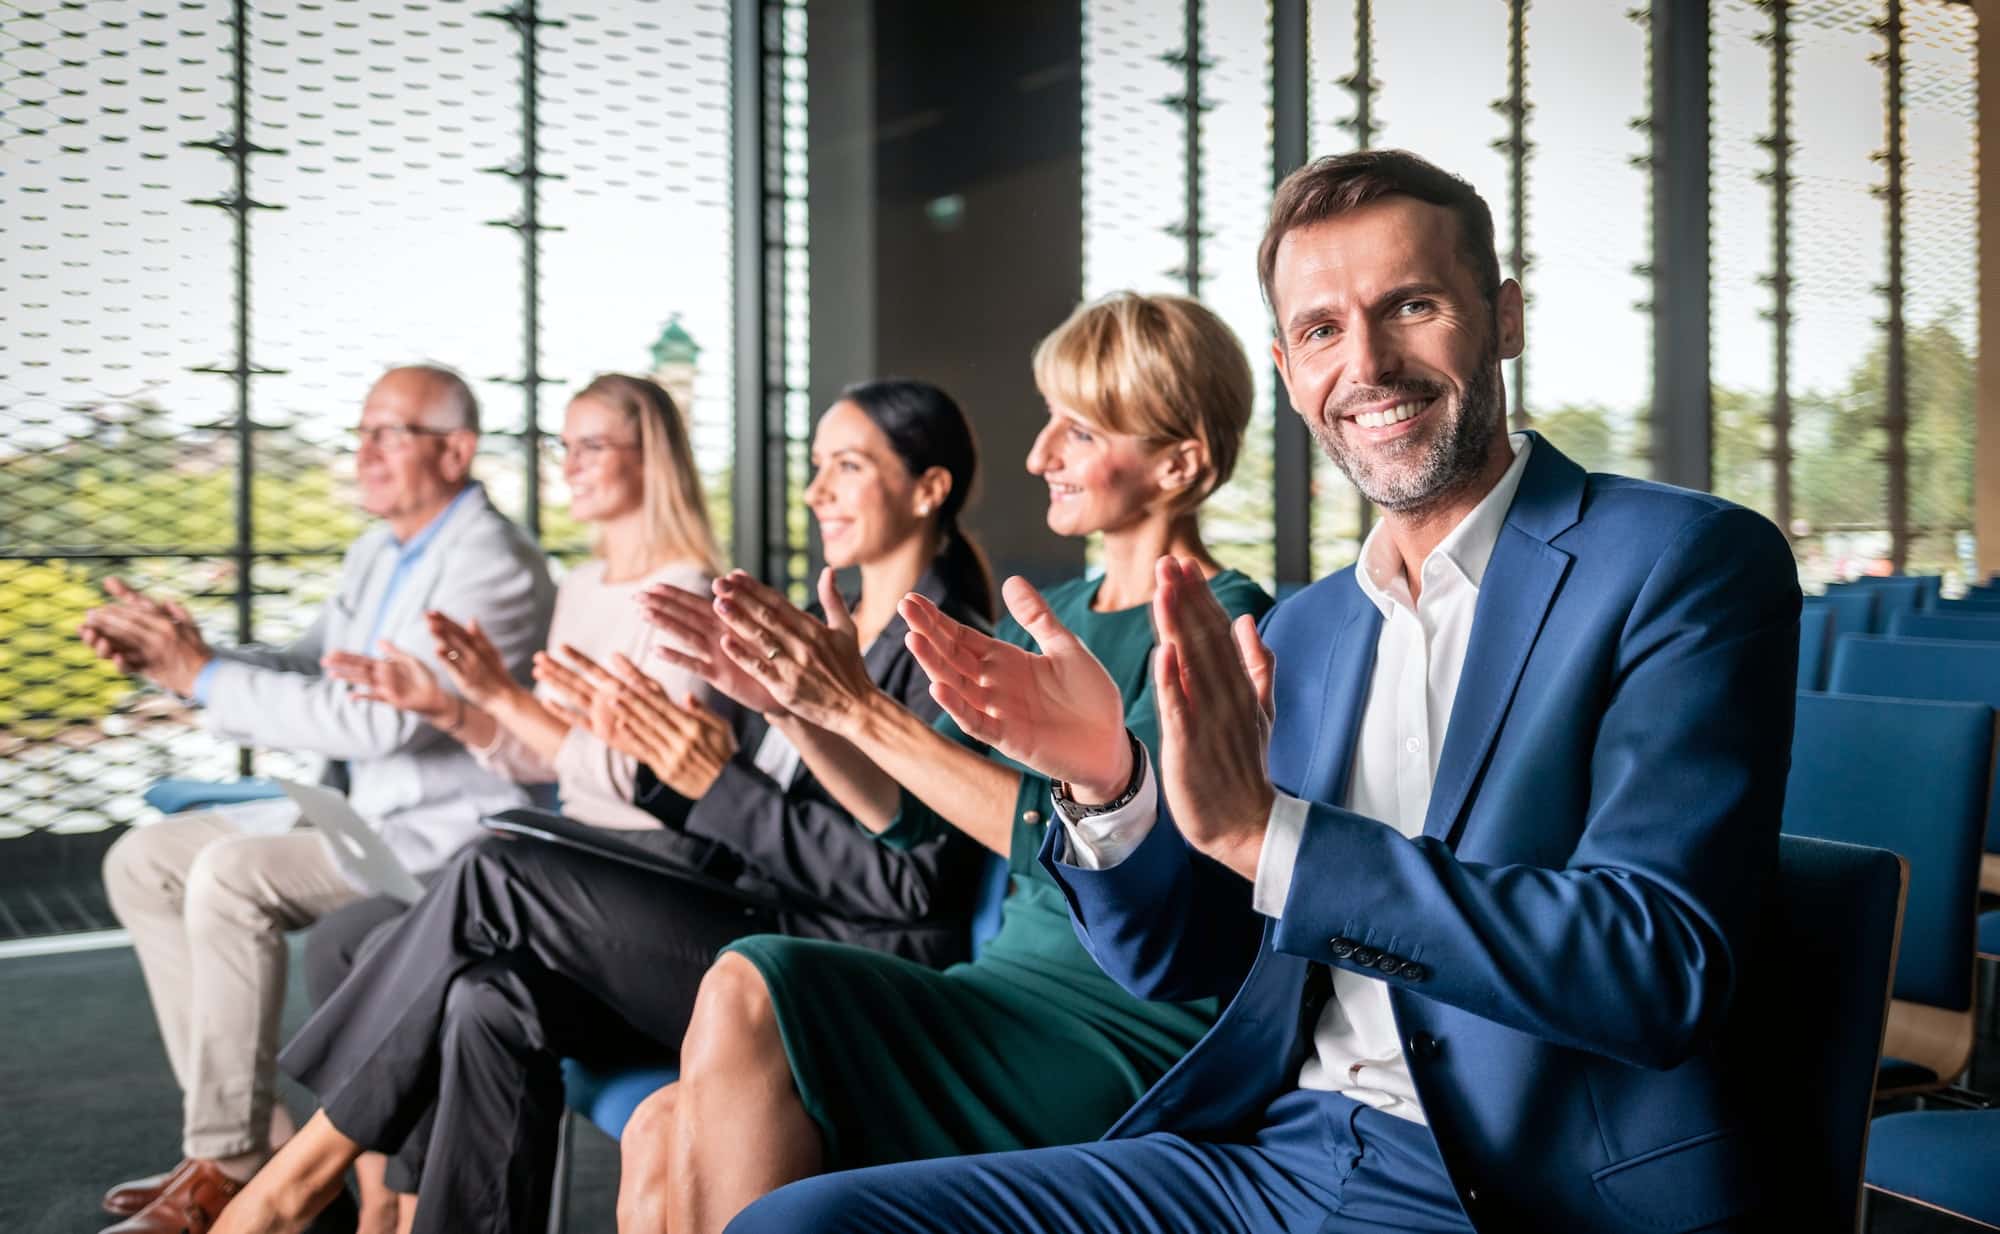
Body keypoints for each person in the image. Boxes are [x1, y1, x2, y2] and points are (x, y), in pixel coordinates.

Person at [726, 149, 1803, 1234]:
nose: (1368, 364)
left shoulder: (1683, 561)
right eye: (1324, 331)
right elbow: (1181, 958)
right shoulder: (1305, 628)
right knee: (796, 1224)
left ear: (1503, 318)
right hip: (1265, 1151)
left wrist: (1266, 837)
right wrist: (1111, 785)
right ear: (1291, 371)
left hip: (1512, 1183)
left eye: (1412, 306)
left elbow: (1652, 965)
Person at [207, 378, 998, 1234]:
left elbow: (910, 884)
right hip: (748, 910)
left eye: (847, 466)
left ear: (929, 489)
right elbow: (727, 805)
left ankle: (286, 1193)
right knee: (489, 995)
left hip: (832, 962)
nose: (816, 493)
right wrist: (660, 759)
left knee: (494, 870)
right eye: (816, 467)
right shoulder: (807, 626)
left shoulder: (956, 654)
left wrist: (710, 781)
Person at [618, 292, 1277, 1234]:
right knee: (658, 1124)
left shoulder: (1224, 627)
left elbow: (1096, 836)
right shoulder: (1050, 611)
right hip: (1001, 989)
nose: (1038, 455)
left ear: (1179, 463)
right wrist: (802, 712)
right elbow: (910, 816)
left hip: (1123, 1023)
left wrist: (858, 709)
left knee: (747, 977)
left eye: (1078, 431)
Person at [83, 364, 556, 1234]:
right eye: (363, 431)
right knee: (141, 862)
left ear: (455, 450)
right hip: (362, 819)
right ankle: (250, 1150)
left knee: (231, 875)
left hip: (446, 843)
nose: (365, 451)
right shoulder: (380, 548)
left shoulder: (492, 565)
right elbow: (313, 665)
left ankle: (224, 1168)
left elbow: (377, 724)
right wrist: (185, 656)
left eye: (389, 432)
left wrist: (207, 676)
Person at [299, 371, 723, 1234]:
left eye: (592, 445)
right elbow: (550, 760)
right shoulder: (580, 588)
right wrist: (459, 704)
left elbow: (658, 780)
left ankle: (323, 1178)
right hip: (579, 849)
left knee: (470, 918)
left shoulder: (689, 594)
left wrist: (504, 697)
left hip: (656, 870)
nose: (570, 465)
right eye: (562, 445)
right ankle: (390, 1194)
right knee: (352, 934)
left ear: (657, 459)